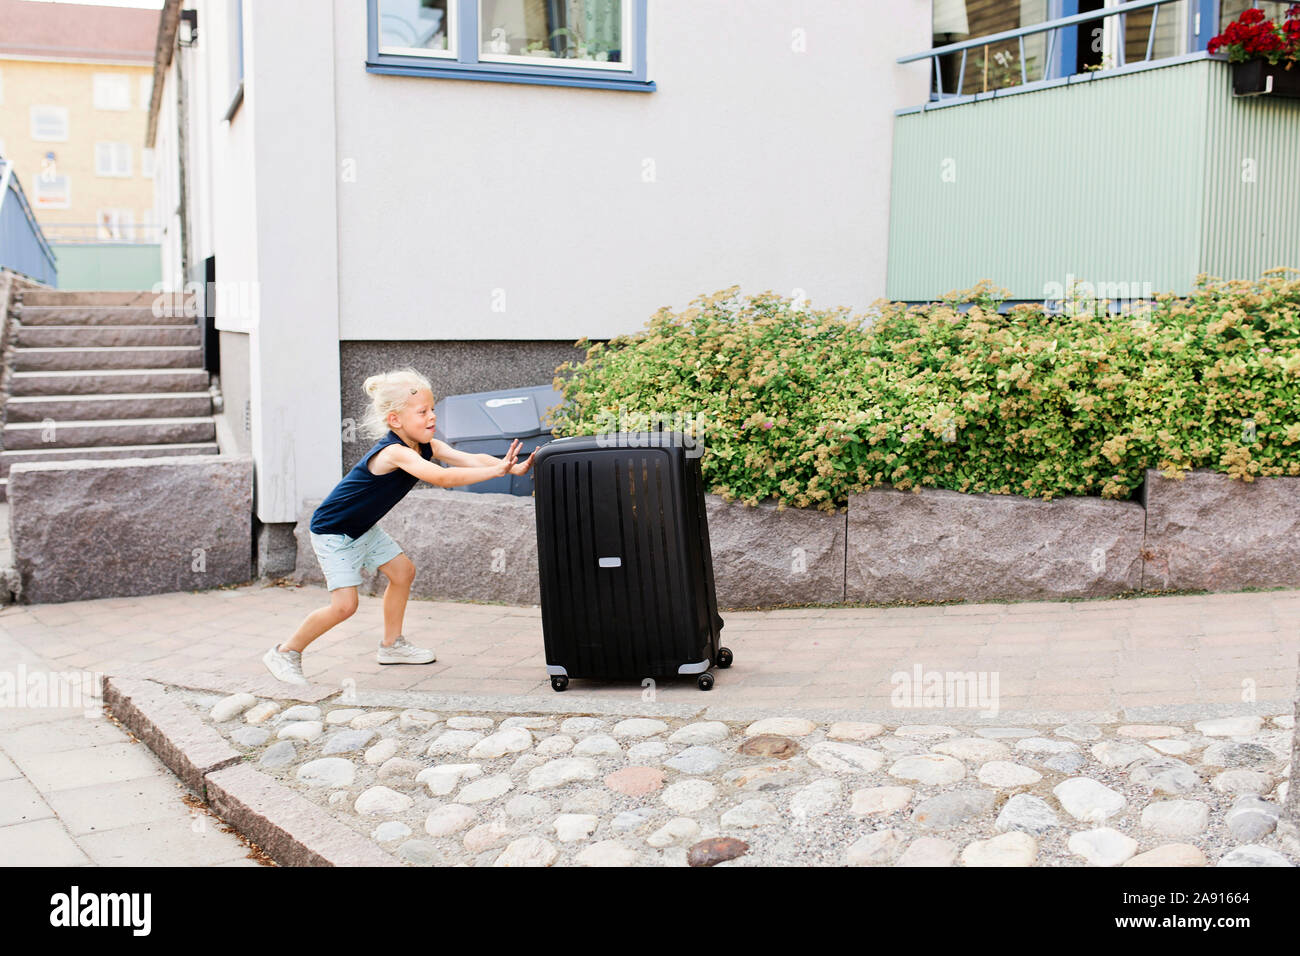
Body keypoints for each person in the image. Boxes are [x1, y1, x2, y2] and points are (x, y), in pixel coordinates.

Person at [263, 367, 537, 685]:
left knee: (402, 572)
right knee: (345, 606)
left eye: (432, 409)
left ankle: (391, 646)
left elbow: (464, 458)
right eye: (422, 411)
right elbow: (443, 477)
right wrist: (497, 472)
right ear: (395, 420)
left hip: (362, 526)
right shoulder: (394, 452)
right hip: (334, 531)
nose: (432, 416)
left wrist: (509, 467)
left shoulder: (426, 446)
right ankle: (286, 651)